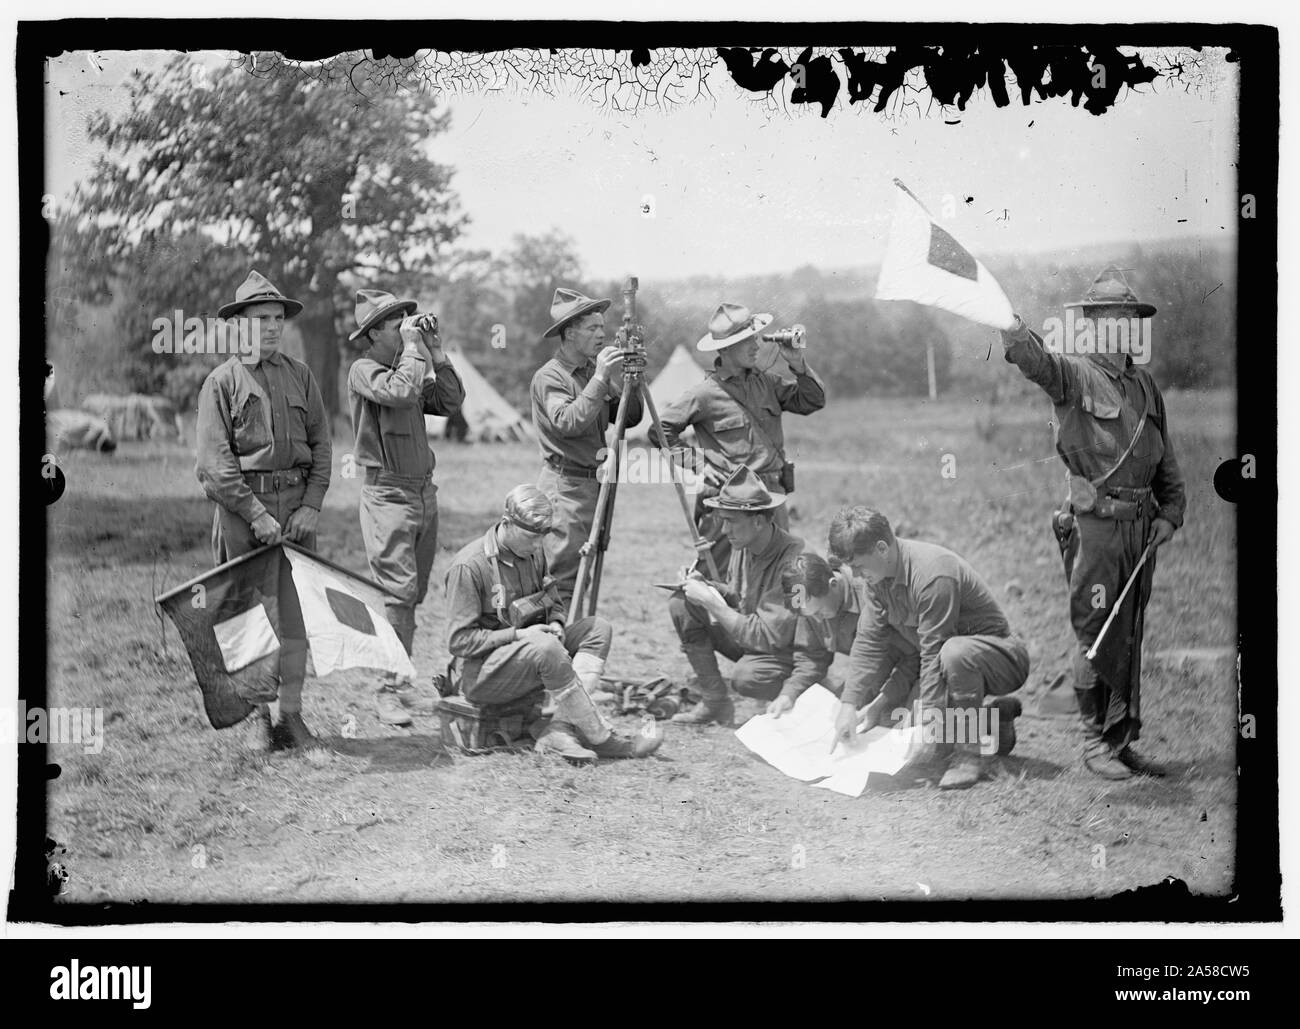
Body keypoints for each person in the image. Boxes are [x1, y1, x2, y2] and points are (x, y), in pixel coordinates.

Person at [1001, 266, 1186, 780]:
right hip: (1096, 529)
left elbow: (1165, 458)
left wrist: (1171, 512)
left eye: (1128, 317)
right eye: (1109, 317)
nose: (1120, 325)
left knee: (1128, 635)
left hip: (1140, 530)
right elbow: (1038, 363)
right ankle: (1092, 744)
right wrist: (1015, 333)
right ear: (1093, 324)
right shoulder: (1076, 374)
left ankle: (1121, 740)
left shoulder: (1145, 385)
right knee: (1096, 632)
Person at [195, 270, 332, 751]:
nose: (271, 327)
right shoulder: (220, 383)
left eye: (277, 318)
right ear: (239, 326)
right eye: (260, 319)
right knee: (248, 619)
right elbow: (213, 465)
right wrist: (255, 515)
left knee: (295, 618)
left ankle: (291, 718)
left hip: (296, 512)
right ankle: (259, 721)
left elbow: (322, 445)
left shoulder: (301, 376)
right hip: (241, 512)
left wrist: (312, 505)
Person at [443, 485, 663, 763]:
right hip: (480, 676)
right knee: (544, 645)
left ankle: (561, 728)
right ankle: (602, 737)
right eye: (530, 537)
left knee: (597, 629)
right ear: (507, 523)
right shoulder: (469, 566)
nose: (537, 546)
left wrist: (557, 622)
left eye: (542, 538)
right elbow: (459, 641)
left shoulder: (533, 553)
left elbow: (553, 600)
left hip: (528, 656)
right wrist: (520, 635)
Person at [828, 508, 1027, 790]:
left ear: (882, 548)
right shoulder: (877, 578)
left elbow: (934, 651)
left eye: (859, 567)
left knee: (950, 661)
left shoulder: (931, 574)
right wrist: (849, 706)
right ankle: (994, 724)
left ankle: (968, 755)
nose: (857, 577)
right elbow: (868, 641)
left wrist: (929, 725)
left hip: (1000, 658)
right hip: (949, 666)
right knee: (893, 721)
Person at [346, 289, 466, 726]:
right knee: (397, 595)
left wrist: (435, 351)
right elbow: (398, 394)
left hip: (421, 494)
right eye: (397, 323)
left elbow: (450, 401)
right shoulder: (364, 371)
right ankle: (387, 691)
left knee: (411, 595)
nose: (405, 328)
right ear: (374, 332)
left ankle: (397, 679)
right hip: (388, 494)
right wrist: (416, 351)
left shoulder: (409, 368)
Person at [652, 302, 825, 572]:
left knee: (777, 572)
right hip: (731, 501)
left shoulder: (767, 383)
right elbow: (660, 430)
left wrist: (797, 365)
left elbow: (813, 401)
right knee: (714, 576)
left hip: (772, 498)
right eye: (747, 341)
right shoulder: (704, 394)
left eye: (755, 337)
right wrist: (700, 465)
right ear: (725, 348)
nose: (756, 345)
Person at [530, 288, 643, 609]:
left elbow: (629, 417)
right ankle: (554, 651)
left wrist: (633, 377)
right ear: (569, 333)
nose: (601, 334)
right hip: (565, 490)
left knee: (582, 574)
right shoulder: (550, 377)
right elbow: (567, 421)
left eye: (602, 327)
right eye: (592, 328)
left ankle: (572, 645)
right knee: (561, 580)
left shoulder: (592, 371)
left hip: (592, 486)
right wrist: (602, 377)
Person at [667, 466, 805, 727]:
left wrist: (709, 601)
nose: (723, 529)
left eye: (730, 521)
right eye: (722, 519)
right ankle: (715, 701)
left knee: (746, 677)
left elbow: (768, 637)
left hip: (786, 655)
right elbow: (739, 597)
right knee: (681, 604)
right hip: (754, 639)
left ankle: (787, 704)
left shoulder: (793, 561)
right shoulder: (745, 543)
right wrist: (707, 586)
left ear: (758, 520)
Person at [767, 551, 917, 720]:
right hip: (869, 676)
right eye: (810, 615)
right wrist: (789, 694)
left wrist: (881, 702)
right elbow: (811, 657)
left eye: (820, 612)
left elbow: (914, 656)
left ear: (833, 584)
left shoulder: (875, 595)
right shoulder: (810, 604)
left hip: (912, 672)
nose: (817, 619)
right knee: (833, 716)